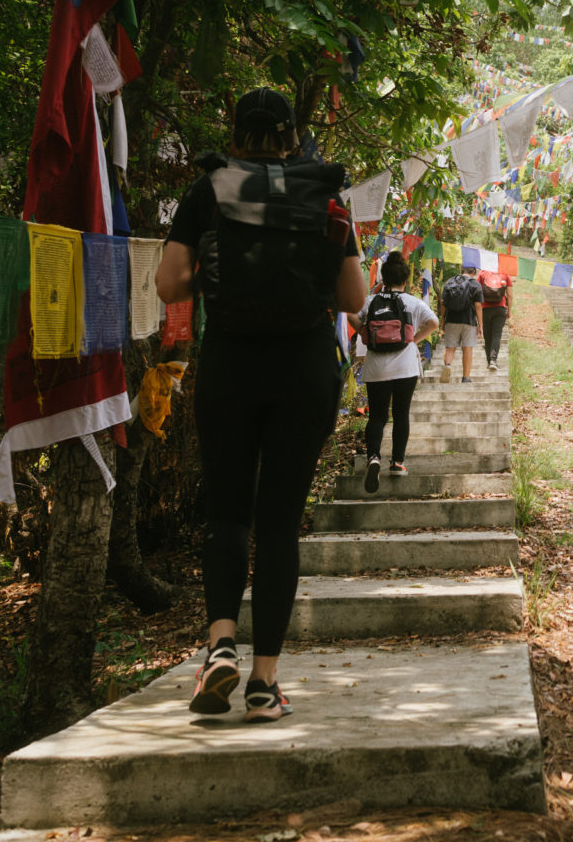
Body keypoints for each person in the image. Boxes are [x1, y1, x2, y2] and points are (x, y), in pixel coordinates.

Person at [156, 87, 368, 721]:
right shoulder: (325, 195)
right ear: (292, 134)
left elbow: (169, 284)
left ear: (235, 129)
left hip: (229, 364)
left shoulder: (208, 189)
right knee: (278, 523)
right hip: (303, 368)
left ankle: (220, 644)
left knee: (226, 513)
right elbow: (354, 297)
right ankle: (264, 684)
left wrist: (211, 270)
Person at [348, 251, 438, 491]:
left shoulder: (370, 301)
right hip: (405, 367)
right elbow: (434, 323)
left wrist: (364, 333)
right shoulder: (413, 302)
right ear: (405, 280)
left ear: (383, 278)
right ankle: (397, 462)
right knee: (401, 414)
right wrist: (414, 340)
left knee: (377, 415)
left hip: (376, 367)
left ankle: (374, 457)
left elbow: (350, 315)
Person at [438, 266, 483, 383]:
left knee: (450, 348)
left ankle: (448, 365)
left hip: (451, 320)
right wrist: (480, 325)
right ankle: (466, 378)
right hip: (469, 322)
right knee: (467, 349)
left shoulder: (450, 282)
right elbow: (478, 306)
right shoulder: (475, 285)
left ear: (461, 271)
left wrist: (443, 320)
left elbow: (443, 303)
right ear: (474, 272)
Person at [477, 263, 512, 373]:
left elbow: (477, 292)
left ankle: (489, 362)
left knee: (487, 336)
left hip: (485, 309)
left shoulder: (482, 273)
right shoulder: (505, 274)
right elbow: (510, 295)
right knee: (496, 335)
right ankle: (493, 360)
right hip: (500, 308)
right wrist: (509, 310)